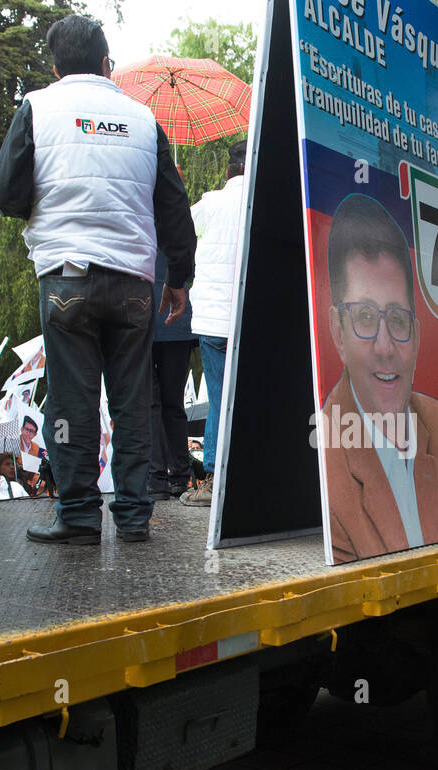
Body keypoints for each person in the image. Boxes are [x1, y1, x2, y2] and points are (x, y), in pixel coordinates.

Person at [0, 13, 196, 544]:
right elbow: (174, 207)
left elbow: (5, 192)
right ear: (108, 64)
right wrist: (180, 279)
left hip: (66, 283)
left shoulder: (37, 107)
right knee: (132, 402)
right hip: (133, 286)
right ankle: (133, 518)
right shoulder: (144, 120)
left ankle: (79, 517)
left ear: (55, 66)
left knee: (71, 405)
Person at [319, 193, 438, 562]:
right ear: (338, 333)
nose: (386, 346)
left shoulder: (437, 422)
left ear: (417, 338)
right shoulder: (328, 460)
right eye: (366, 317)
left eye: (398, 320)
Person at [180, 140, 245, 508]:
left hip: (211, 319)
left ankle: (215, 476)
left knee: (220, 396)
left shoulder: (208, 205)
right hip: (248, 319)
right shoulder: (263, 203)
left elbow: (178, 242)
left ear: (227, 171)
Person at [148, 249, 196, 501]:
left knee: (154, 402)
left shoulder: (134, 215)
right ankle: (177, 475)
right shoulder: (174, 221)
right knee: (171, 403)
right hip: (173, 320)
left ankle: (159, 478)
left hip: (145, 318)